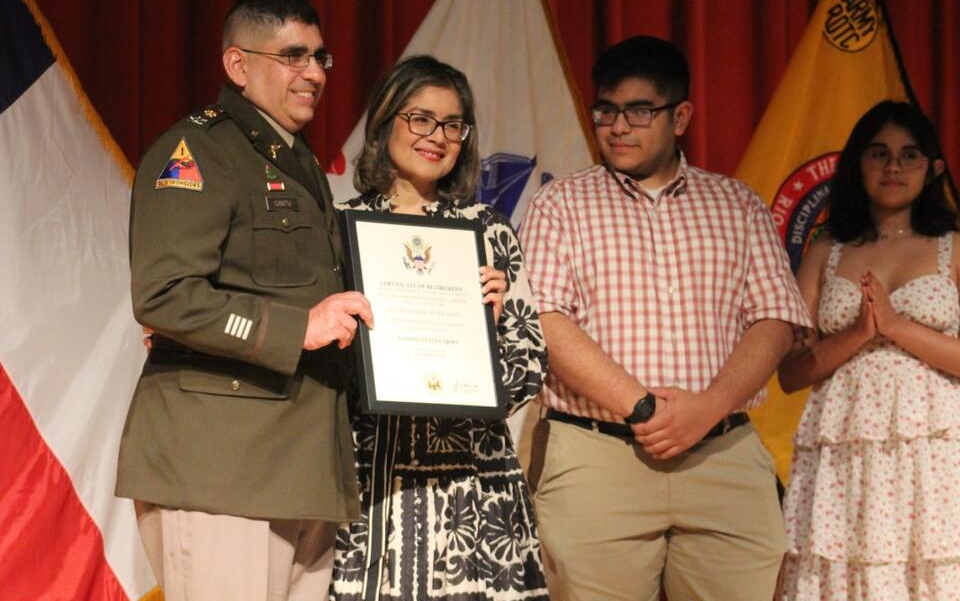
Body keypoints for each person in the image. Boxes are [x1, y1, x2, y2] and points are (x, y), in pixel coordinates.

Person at [519, 35, 811, 601]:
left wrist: (706, 410)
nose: (618, 126)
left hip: (724, 453)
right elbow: (545, 321)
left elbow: (775, 319)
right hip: (597, 455)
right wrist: (648, 409)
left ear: (680, 116)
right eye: (606, 110)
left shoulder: (737, 204)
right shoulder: (561, 204)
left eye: (639, 111)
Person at [116, 0, 373, 601]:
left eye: (319, 57)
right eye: (293, 56)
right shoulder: (199, 152)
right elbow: (164, 294)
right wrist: (295, 329)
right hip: (222, 472)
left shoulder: (294, 160)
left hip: (301, 466)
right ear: (238, 64)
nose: (313, 73)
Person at [329, 55, 550, 600]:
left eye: (453, 124)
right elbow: (320, 364)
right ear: (385, 124)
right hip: (370, 482)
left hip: (474, 489)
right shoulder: (341, 229)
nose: (438, 136)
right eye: (421, 119)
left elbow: (528, 365)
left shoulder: (488, 232)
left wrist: (486, 332)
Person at [777, 101, 960, 599]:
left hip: (935, 454)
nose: (894, 167)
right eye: (879, 154)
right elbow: (791, 374)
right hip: (842, 448)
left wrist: (896, 326)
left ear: (934, 168)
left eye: (909, 155)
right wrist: (858, 333)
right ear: (858, 165)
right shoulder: (825, 249)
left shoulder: (953, 247)